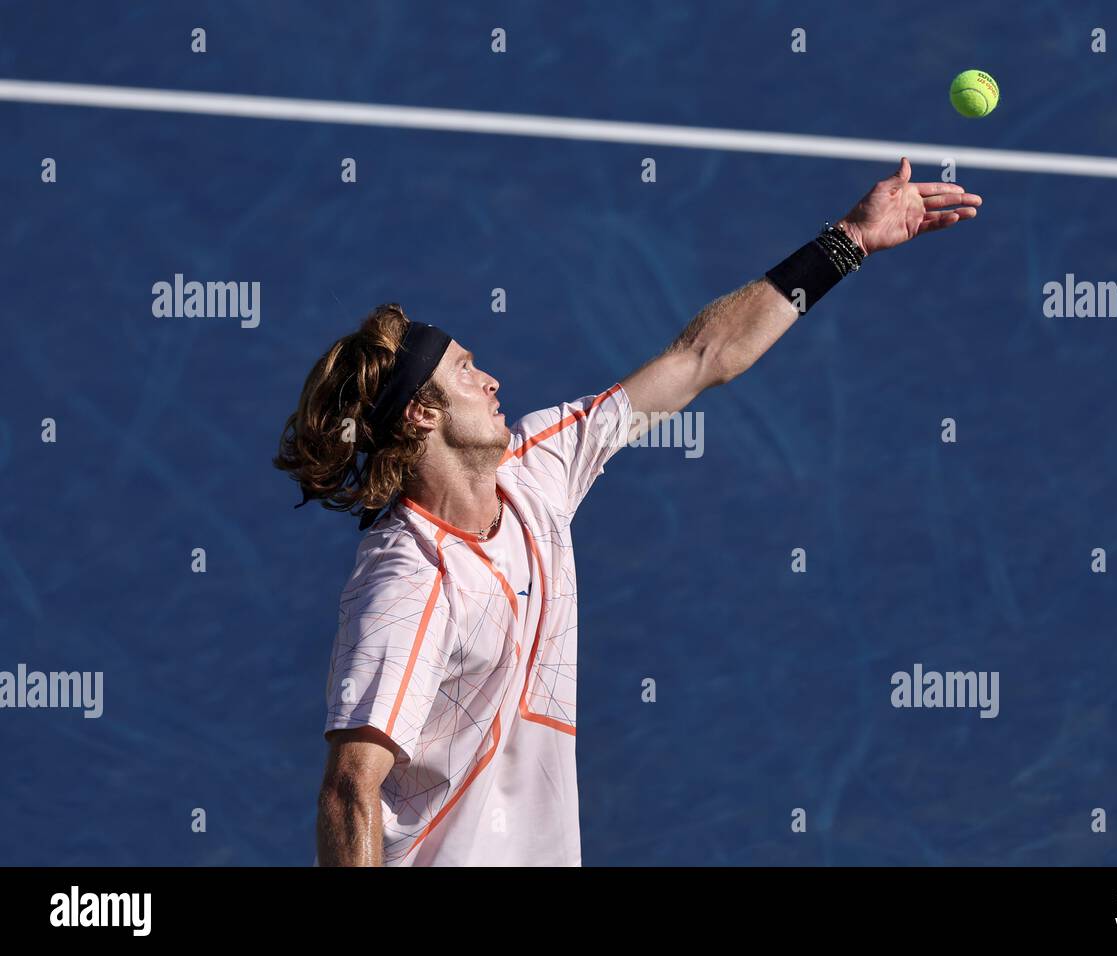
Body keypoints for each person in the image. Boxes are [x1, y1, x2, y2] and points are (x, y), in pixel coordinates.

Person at [273, 157, 981, 866]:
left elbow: (702, 356)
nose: (491, 380)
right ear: (423, 414)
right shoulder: (409, 582)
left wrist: (848, 239)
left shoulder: (536, 471)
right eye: (464, 370)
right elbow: (348, 790)